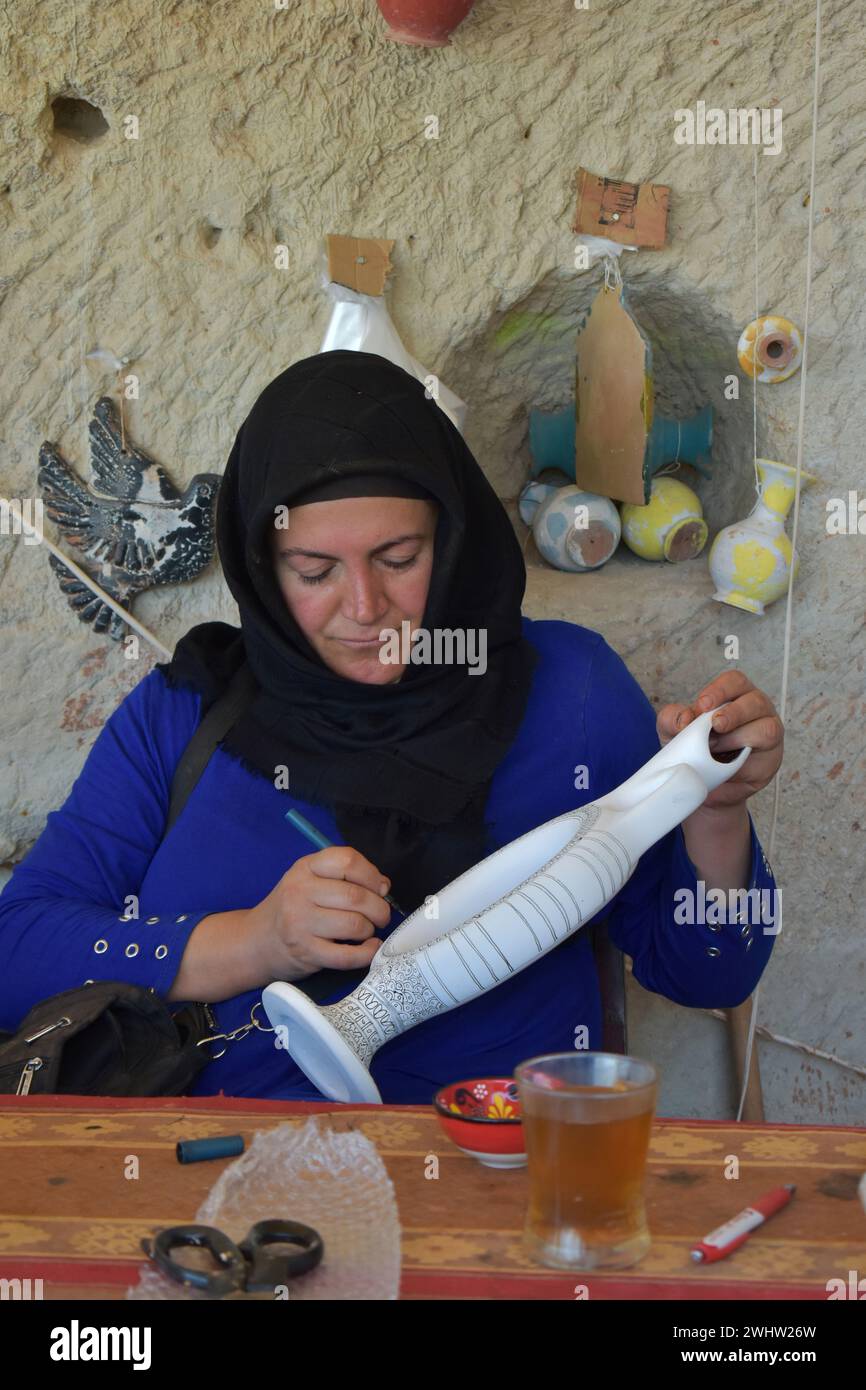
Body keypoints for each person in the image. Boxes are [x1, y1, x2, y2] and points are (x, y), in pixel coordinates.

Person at [0, 351, 783, 1102]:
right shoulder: (188, 714)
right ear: (261, 567)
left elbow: (711, 974)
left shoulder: (569, 694)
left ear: (454, 540)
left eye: (399, 556)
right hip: (214, 1196)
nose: (366, 608)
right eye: (314, 571)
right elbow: (16, 955)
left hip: (501, 1182)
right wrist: (256, 942)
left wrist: (714, 808)